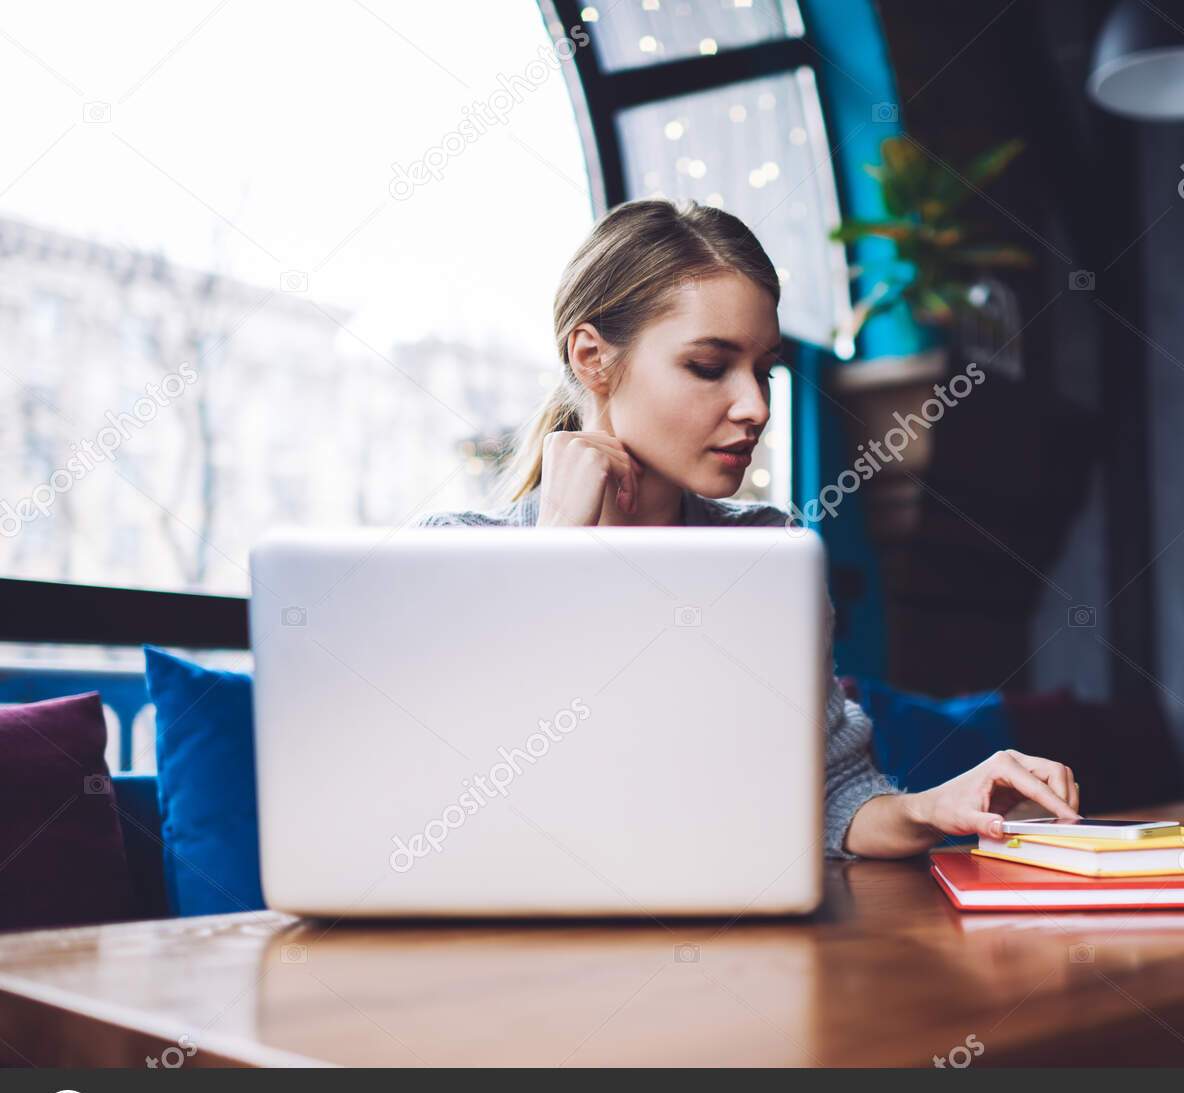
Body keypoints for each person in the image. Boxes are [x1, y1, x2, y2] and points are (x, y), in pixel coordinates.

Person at [415, 197, 1079, 859]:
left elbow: (829, 796)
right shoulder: (450, 555)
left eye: (764, 371)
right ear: (592, 358)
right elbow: (444, 799)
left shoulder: (767, 554)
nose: (756, 407)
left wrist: (931, 807)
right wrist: (558, 543)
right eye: (709, 367)